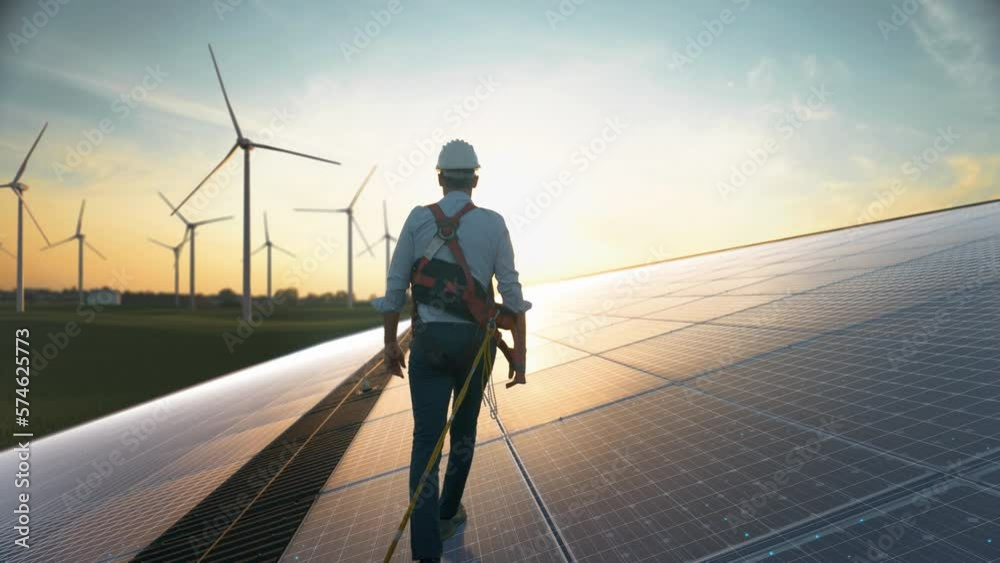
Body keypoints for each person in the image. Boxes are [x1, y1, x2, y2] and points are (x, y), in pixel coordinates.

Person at [373, 139, 530, 563]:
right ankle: (447, 514)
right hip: (476, 348)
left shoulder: (417, 219)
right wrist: (519, 354)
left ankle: (426, 552)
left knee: (426, 443)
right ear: (475, 179)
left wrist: (390, 343)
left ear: (440, 178)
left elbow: (394, 288)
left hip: (428, 346)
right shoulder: (494, 224)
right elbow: (512, 297)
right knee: (463, 433)